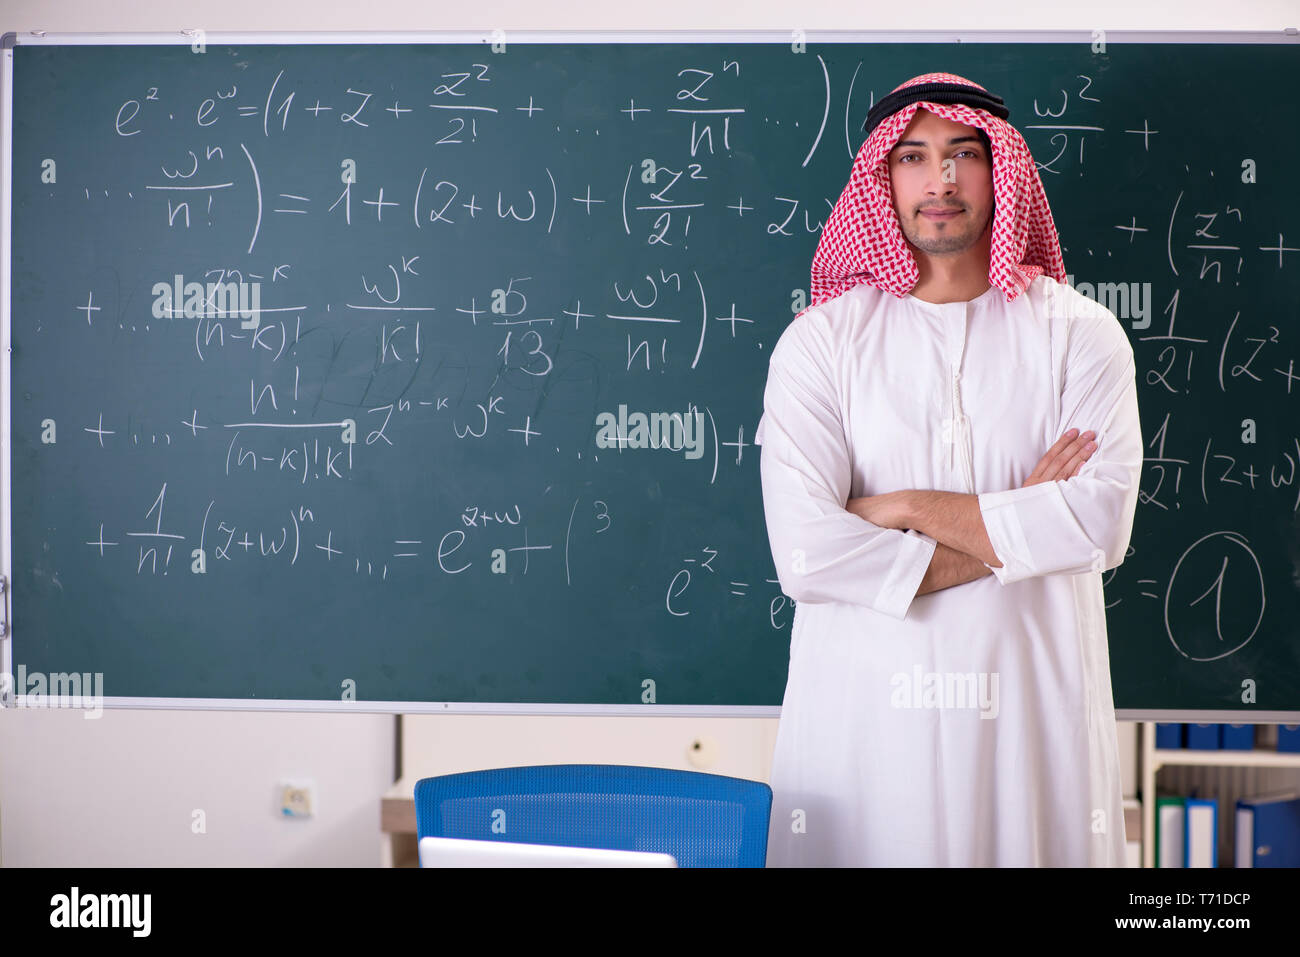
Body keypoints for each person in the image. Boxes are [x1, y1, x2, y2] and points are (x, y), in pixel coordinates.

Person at [754, 72, 1143, 866]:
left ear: (1001, 170)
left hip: (1034, 737)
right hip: (862, 742)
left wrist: (894, 504)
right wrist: (1019, 523)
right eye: (913, 158)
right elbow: (808, 555)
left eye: (964, 153)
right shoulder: (821, 345)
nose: (942, 180)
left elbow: (1098, 525)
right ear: (882, 179)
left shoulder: (1080, 335)